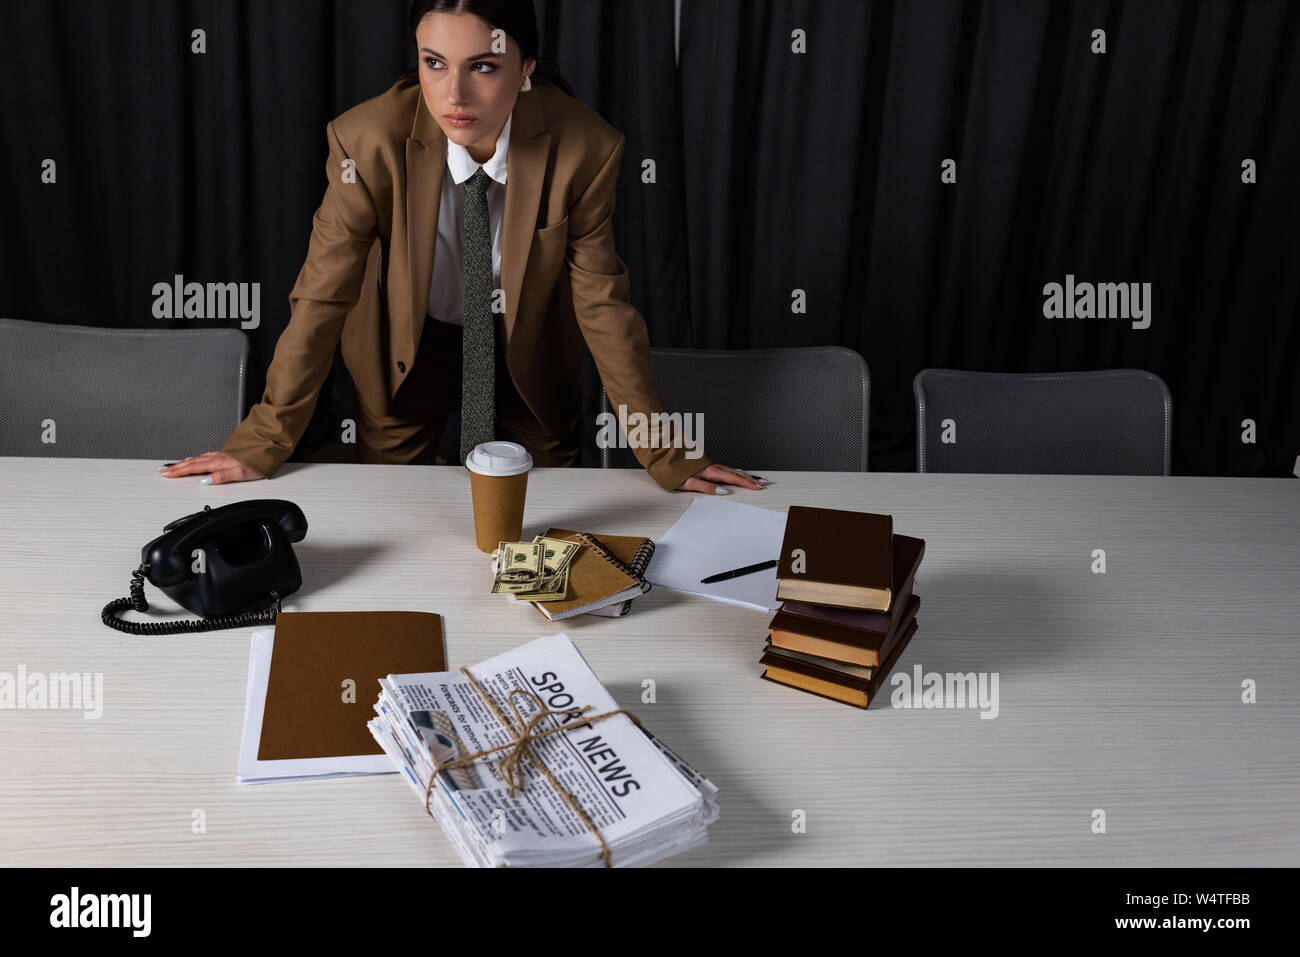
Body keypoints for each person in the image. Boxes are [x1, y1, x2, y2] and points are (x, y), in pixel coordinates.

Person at [161, 0, 764, 496]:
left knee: (541, 531)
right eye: (434, 63)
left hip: (527, 353)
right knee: (402, 522)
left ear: (526, 67)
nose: (454, 95)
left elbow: (603, 306)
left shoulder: (586, 146)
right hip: (405, 350)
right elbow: (322, 294)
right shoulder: (365, 140)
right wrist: (263, 439)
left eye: (482, 67)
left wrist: (663, 450)